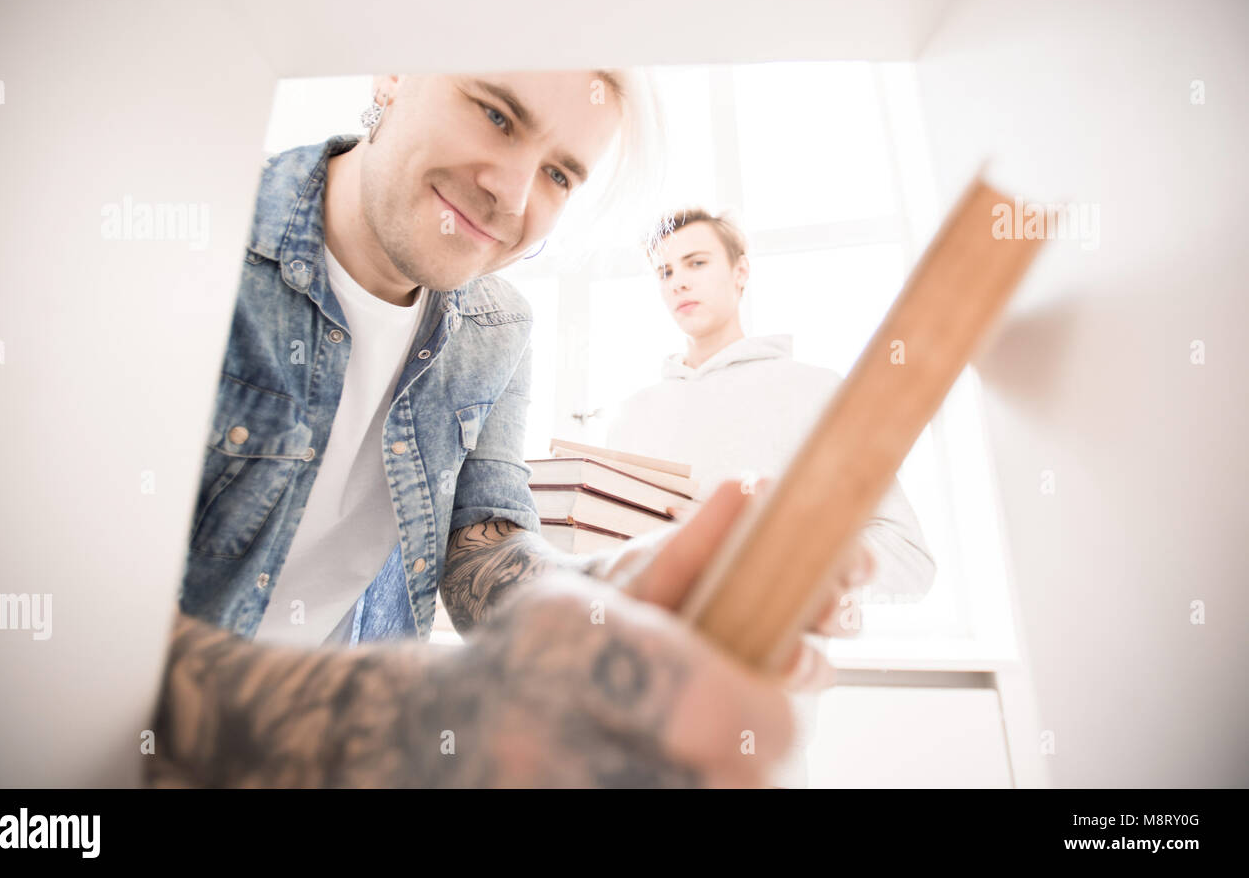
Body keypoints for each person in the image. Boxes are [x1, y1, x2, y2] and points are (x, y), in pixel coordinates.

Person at [151, 71, 841, 787]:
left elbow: (483, 544)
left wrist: (600, 590)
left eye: (558, 173)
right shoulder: (197, 240)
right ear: (395, 74)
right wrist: (415, 714)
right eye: (496, 115)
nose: (513, 197)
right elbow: (84, 633)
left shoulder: (498, 326)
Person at [604, 207, 937, 786]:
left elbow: (905, 555)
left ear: (740, 272)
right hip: (632, 722)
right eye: (663, 272)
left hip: (757, 734)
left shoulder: (814, 390)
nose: (677, 280)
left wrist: (777, 562)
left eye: (696, 262)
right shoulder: (634, 413)